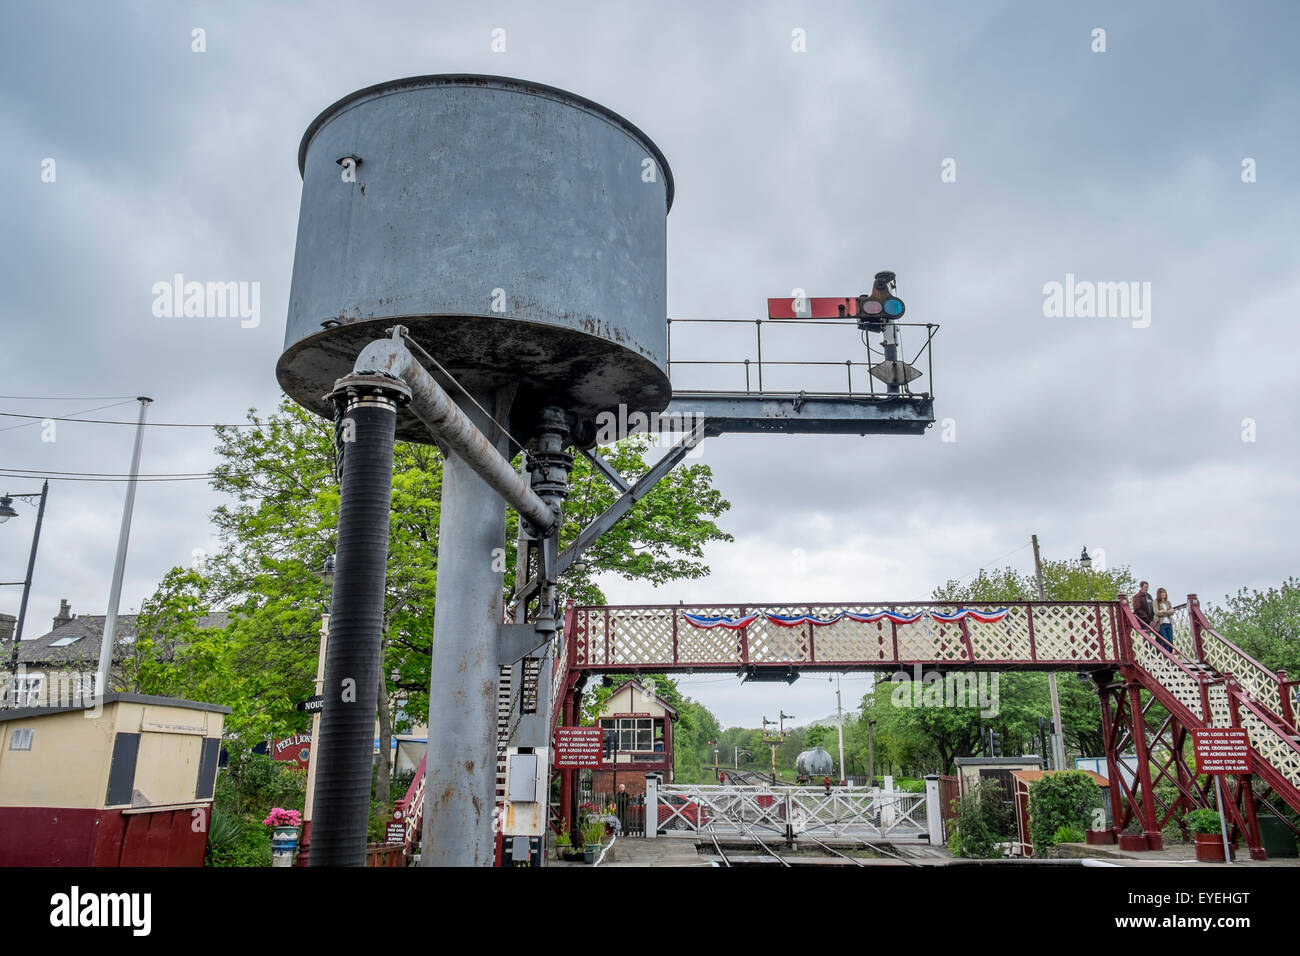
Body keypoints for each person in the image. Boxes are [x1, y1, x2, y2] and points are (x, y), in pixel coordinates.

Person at [1154, 588, 1175, 653]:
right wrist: (1168, 612)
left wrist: (1164, 611)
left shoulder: (1168, 602)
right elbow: (1157, 612)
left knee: (1170, 641)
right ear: (1159, 594)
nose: (1163, 594)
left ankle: (1171, 656)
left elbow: (1172, 612)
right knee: (1165, 641)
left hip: (1169, 623)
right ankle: (1168, 657)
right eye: (1161, 593)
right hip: (1161, 624)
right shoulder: (1156, 602)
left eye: (1164, 592)